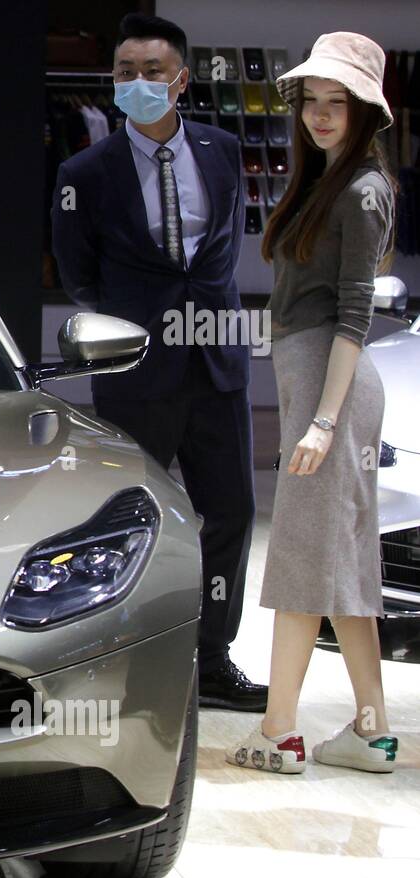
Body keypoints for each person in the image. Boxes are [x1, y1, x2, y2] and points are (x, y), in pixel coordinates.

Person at [51, 14, 264, 711]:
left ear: (181, 78)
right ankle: (132, 661)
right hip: (136, 370)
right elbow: (80, 274)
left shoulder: (224, 149)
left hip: (217, 361)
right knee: (131, 519)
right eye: (124, 72)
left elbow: (223, 249)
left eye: (151, 71)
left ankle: (213, 658)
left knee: (230, 510)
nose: (138, 83)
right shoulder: (85, 171)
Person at [227, 32, 399, 775]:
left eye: (340, 102)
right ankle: (373, 730)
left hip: (334, 384)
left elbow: (355, 314)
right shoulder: (326, 181)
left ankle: (280, 731)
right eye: (313, 101)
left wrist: (325, 422)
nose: (321, 115)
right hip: (320, 379)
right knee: (344, 562)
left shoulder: (362, 190)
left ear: (366, 112)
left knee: (301, 555)